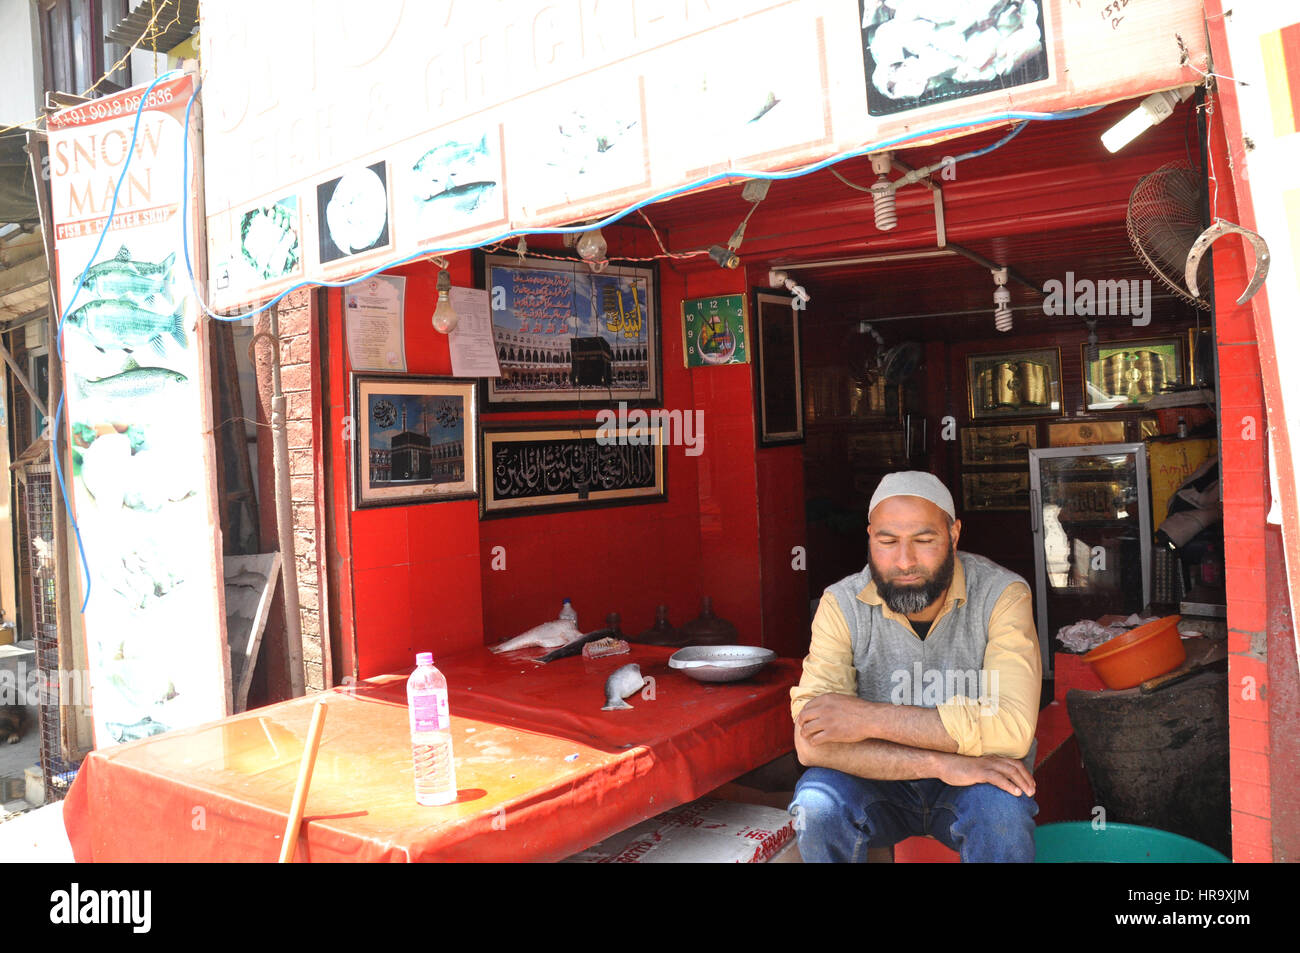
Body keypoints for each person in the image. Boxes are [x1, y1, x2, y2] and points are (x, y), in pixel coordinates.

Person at [789, 470, 1041, 862]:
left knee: (1002, 812)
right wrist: (940, 763)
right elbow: (811, 743)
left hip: (976, 781)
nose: (904, 561)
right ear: (870, 536)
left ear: (954, 535)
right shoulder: (840, 604)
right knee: (817, 806)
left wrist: (868, 719)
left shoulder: (1002, 595)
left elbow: (1012, 729)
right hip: (878, 779)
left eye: (924, 541)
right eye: (887, 542)